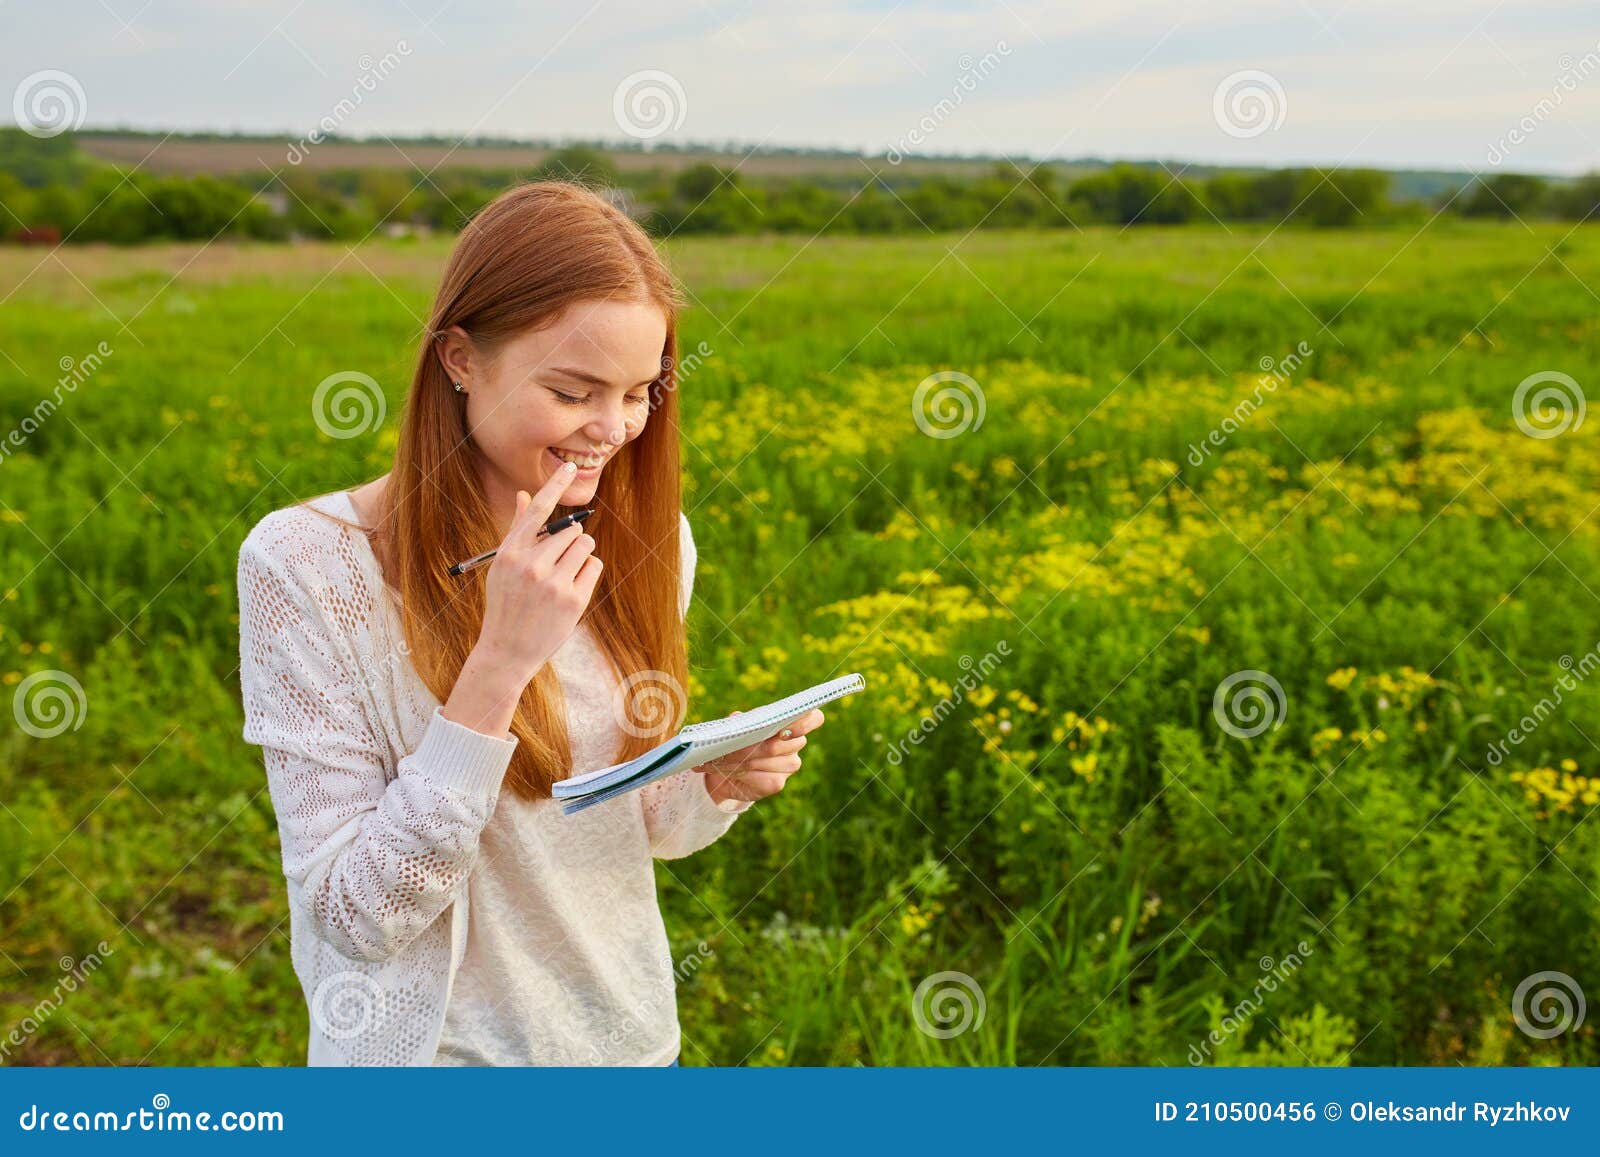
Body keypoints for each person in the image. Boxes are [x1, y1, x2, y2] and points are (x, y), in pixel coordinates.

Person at [236, 181, 826, 1066]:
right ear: (460, 358)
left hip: (622, 1046)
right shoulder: (306, 565)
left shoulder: (653, 541)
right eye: (572, 390)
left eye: (639, 393)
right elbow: (356, 915)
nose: (613, 430)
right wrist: (498, 662)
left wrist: (715, 782)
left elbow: (637, 823)